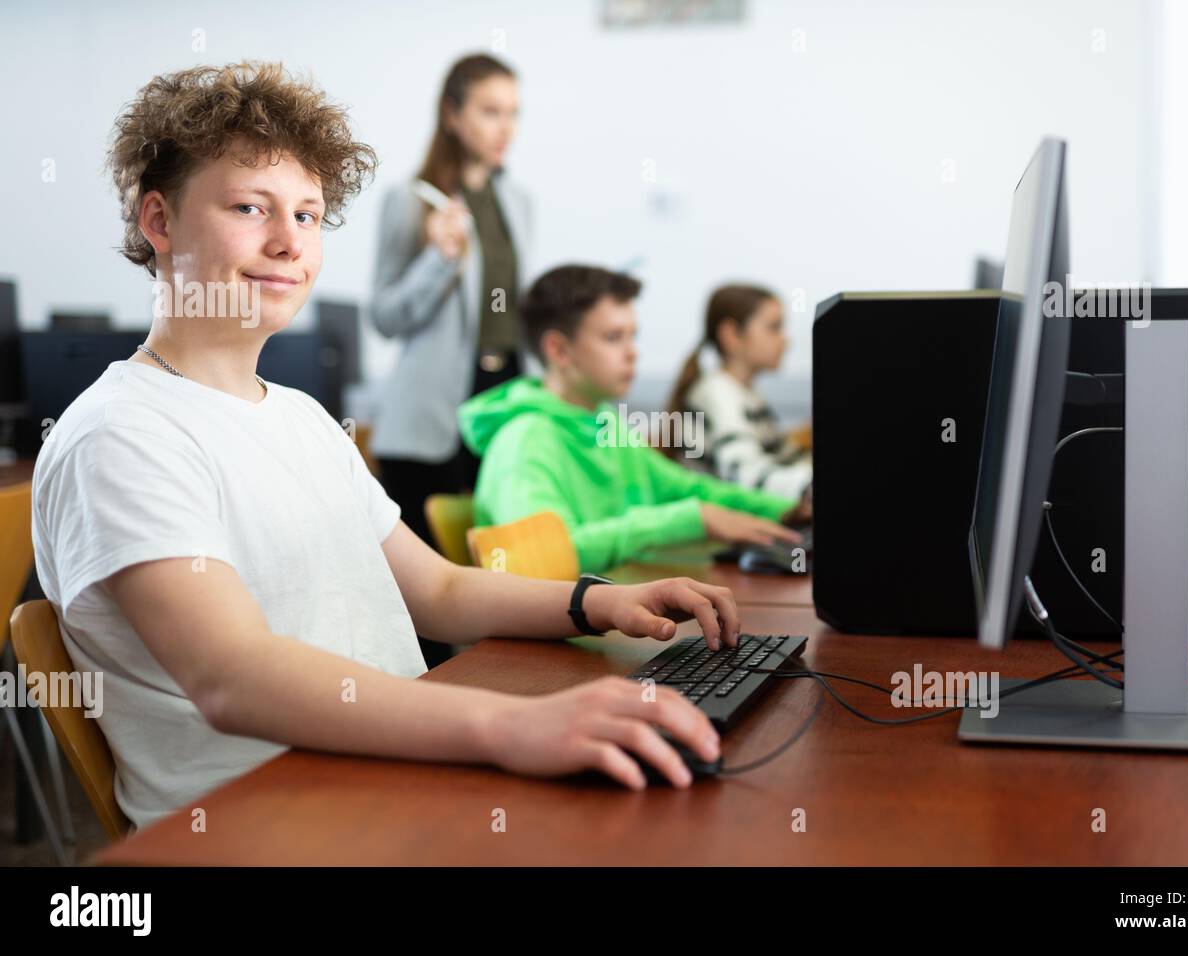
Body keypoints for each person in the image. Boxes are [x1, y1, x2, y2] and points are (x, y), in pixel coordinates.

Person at [30, 62, 735, 830]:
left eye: (307, 216)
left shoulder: (299, 416)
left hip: (389, 779)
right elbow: (233, 678)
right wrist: (507, 726)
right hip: (266, 824)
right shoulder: (121, 435)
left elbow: (439, 591)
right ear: (159, 222)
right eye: (249, 207)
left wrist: (599, 601)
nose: (286, 243)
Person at [459, 265, 809, 574]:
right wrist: (689, 519)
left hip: (608, 614)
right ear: (559, 350)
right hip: (544, 642)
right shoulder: (524, 442)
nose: (633, 351)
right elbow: (545, 559)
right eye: (613, 337)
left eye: (633, 335)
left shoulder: (603, 424)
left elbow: (688, 490)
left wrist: (789, 509)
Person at [369, 53, 531, 548]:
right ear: (452, 115)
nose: (506, 127)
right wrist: (439, 259)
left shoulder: (518, 202)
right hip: (430, 420)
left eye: (513, 112)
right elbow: (385, 316)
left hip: (500, 399)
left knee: (501, 573)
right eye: (490, 111)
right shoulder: (412, 199)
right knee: (435, 600)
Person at [666, 283, 812, 501]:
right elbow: (748, 479)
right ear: (731, 335)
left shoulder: (745, 393)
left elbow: (784, 457)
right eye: (774, 327)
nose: (785, 339)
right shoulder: (717, 394)